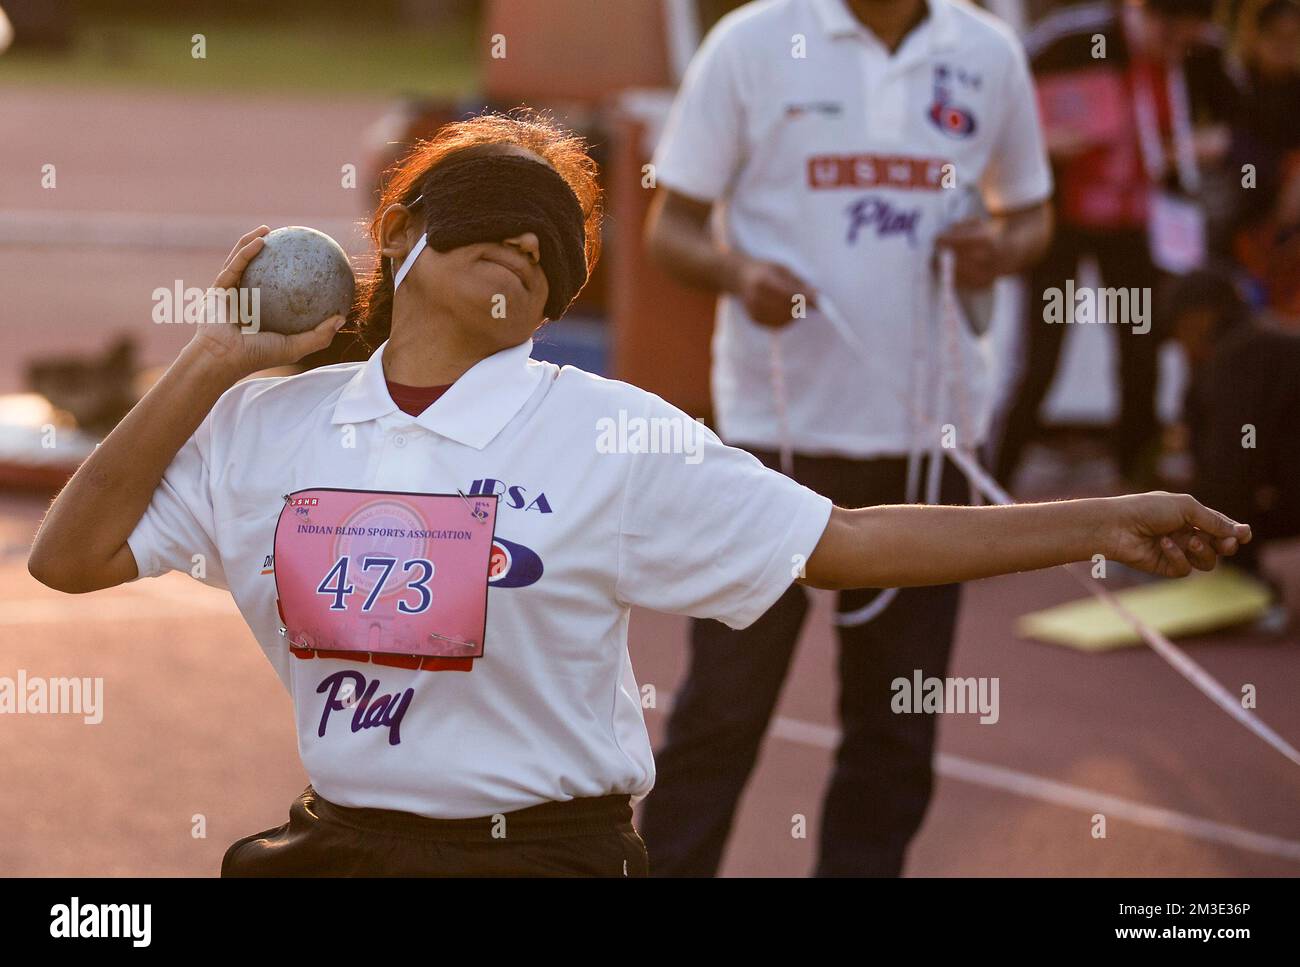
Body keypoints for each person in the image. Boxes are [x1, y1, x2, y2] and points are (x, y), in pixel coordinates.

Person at [28, 111, 1248, 877]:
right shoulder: (269, 425)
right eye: (494, 217)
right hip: (339, 847)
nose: (526, 243)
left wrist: (1096, 519)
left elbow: (848, 539)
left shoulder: (606, 431)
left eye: (555, 243)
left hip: (544, 859)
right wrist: (222, 352)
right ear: (400, 234)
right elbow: (70, 560)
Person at [640, 0, 1057, 877]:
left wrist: (1001, 251)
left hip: (930, 438)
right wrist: (736, 270)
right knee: (723, 708)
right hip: (769, 438)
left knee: (896, 725)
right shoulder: (753, 41)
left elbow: (1032, 215)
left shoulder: (986, 51)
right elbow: (670, 226)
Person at [998, 0, 1237, 487]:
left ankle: (1138, 479)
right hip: (1063, 221)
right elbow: (1000, 114)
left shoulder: (1200, 57)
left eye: (1187, 42)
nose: (1177, 52)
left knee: (1140, 348)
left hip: (1136, 225)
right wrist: (1044, 145)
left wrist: (1197, 147)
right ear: (1141, 13)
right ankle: (997, 477)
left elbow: (1242, 126)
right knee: (1044, 350)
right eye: (1169, 39)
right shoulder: (1069, 43)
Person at [1166, 266, 1300, 587]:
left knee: (1212, 502)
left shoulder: (1240, 355)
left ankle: (1243, 585)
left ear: (1199, 317)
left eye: (1179, 330)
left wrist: (1204, 536)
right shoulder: (1262, 338)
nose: (1181, 345)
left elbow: (1233, 465)